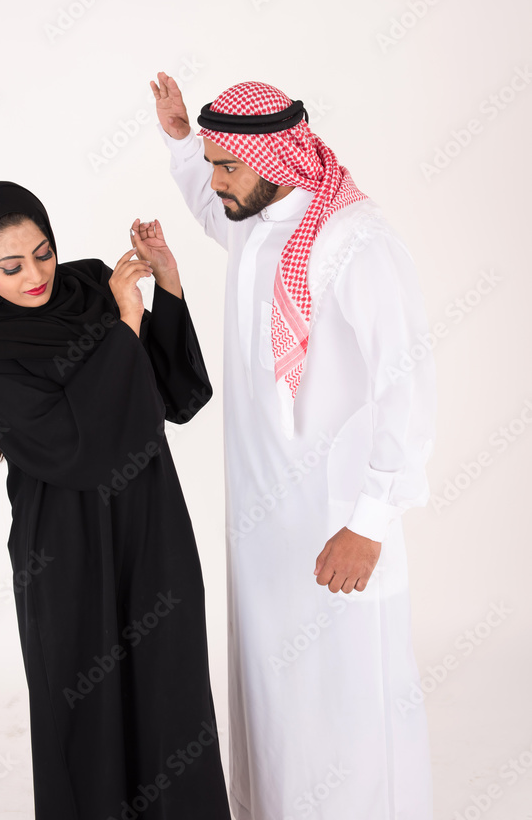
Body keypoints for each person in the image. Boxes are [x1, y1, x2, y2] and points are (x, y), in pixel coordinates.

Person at [151, 73, 436, 820]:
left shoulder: (356, 242)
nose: (213, 182)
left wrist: (370, 521)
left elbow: (406, 386)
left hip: (336, 525)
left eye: (224, 165)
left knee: (348, 707)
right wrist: (184, 143)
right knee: (275, 713)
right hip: (262, 531)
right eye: (209, 163)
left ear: (276, 157)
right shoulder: (254, 216)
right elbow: (214, 209)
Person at [0, 180, 231, 820]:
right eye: (11, 267)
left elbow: (176, 396)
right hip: (63, 551)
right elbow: (75, 446)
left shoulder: (93, 287)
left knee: (168, 691)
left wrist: (168, 287)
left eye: (43, 253)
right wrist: (123, 323)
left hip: (150, 528)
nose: (36, 275)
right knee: (85, 711)